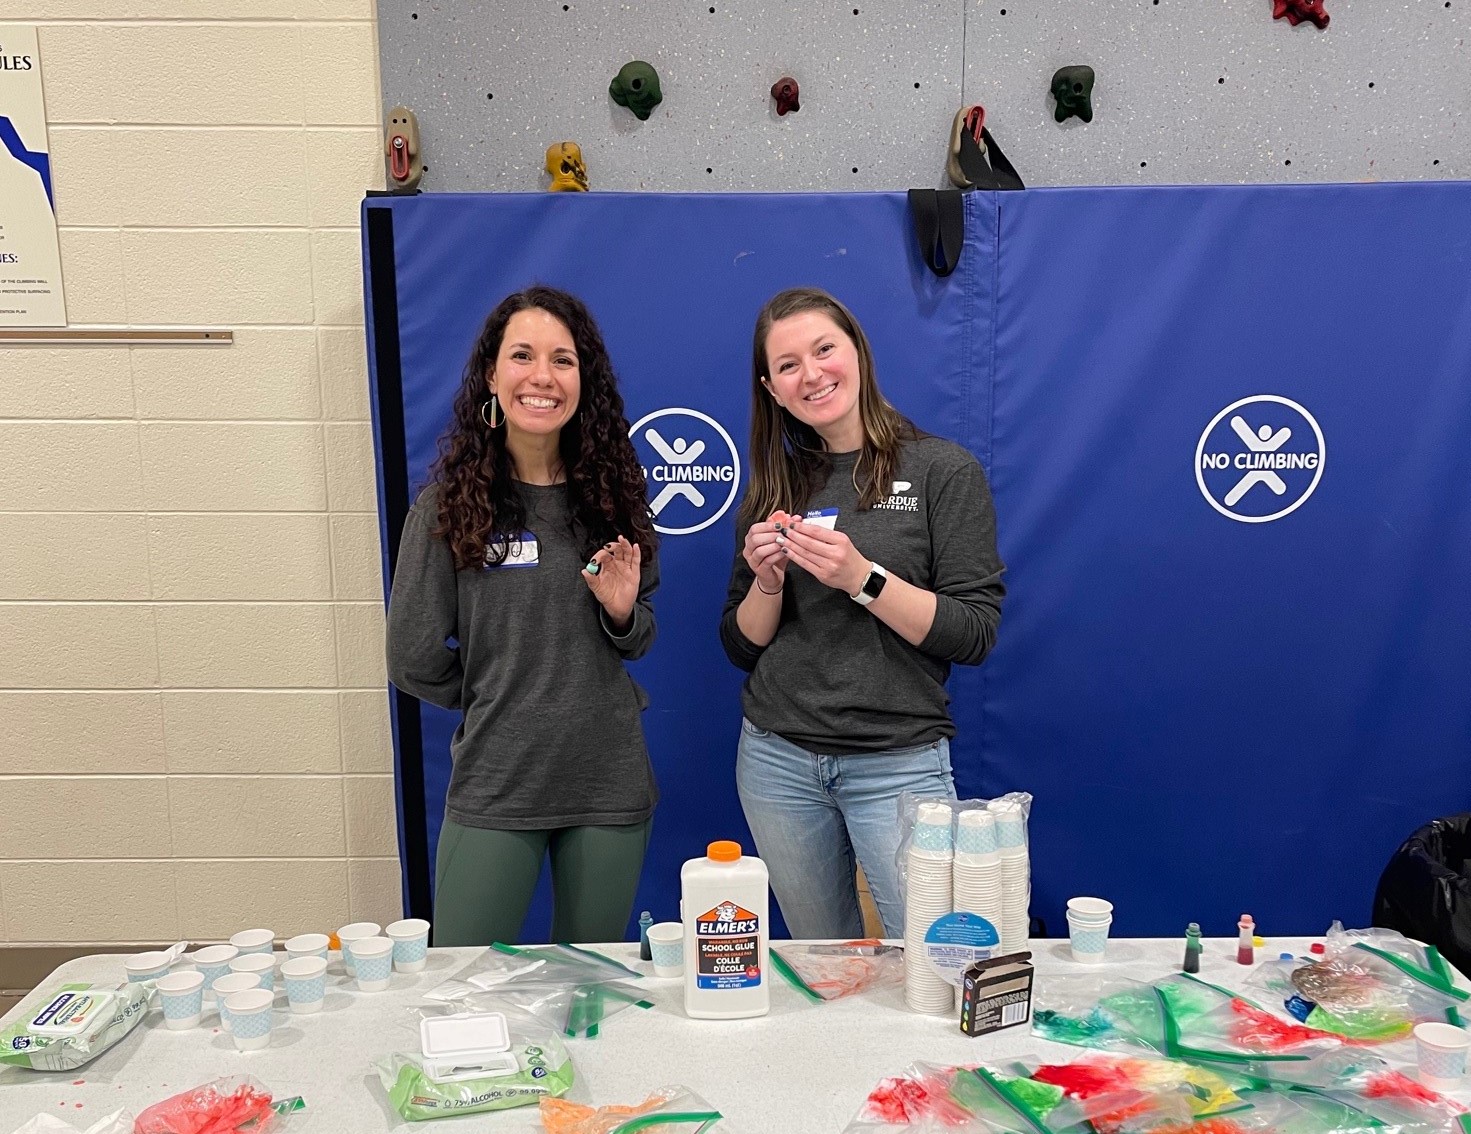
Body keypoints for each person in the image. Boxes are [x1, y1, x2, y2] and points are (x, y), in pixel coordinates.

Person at [719, 286, 1005, 939]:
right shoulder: (774, 486)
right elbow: (739, 646)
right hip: (777, 760)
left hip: (897, 761)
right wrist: (766, 583)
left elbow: (973, 632)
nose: (811, 373)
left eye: (824, 349)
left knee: (935, 959)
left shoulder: (940, 470)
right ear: (771, 388)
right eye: (788, 365)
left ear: (857, 352)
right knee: (827, 965)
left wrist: (861, 579)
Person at [386, 285, 659, 946]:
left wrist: (621, 615)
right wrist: (497, 696)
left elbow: (639, 634)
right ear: (492, 374)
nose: (542, 377)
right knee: (462, 983)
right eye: (523, 356)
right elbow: (411, 656)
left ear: (582, 380)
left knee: (586, 990)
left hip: (607, 784)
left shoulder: (615, 500)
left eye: (562, 360)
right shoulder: (446, 507)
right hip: (498, 784)